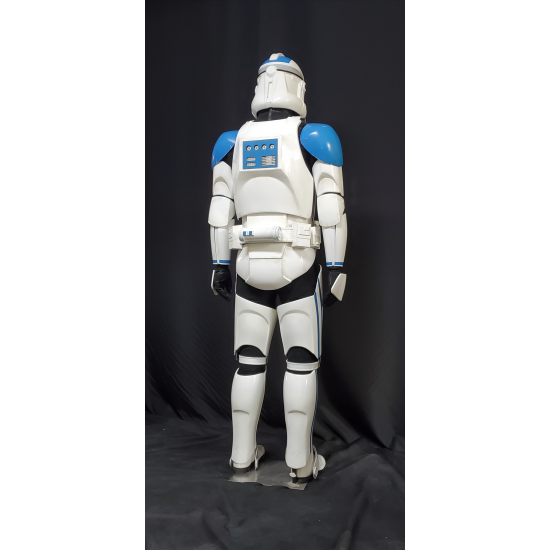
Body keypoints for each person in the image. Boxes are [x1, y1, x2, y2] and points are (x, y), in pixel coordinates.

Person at [208, 54, 347, 483]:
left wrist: (219, 265)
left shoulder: (229, 143)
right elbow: (332, 208)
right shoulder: (316, 137)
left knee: (249, 363)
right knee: (301, 364)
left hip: (247, 266)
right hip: (299, 265)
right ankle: (300, 462)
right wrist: (337, 266)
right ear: (298, 88)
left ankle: (241, 457)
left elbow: (219, 212)